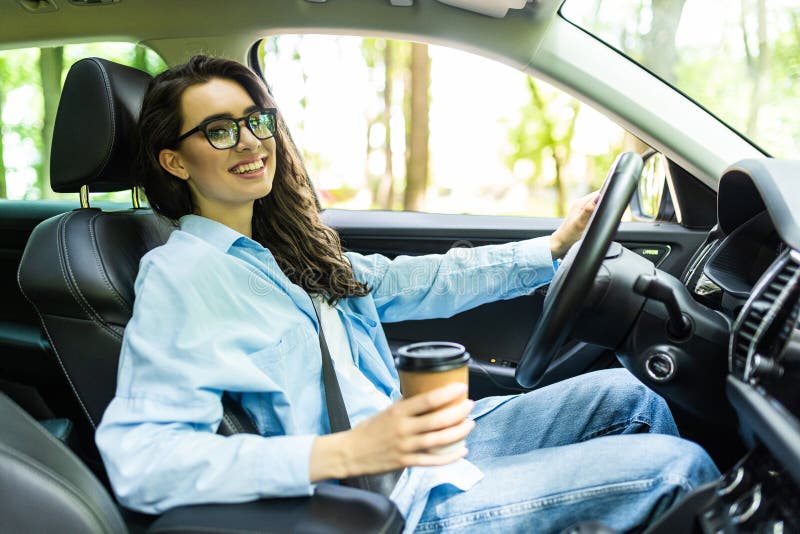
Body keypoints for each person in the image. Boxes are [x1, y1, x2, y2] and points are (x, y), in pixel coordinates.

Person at [95, 55, 719, 533]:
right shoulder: (182, 276)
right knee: (675, 470)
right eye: (221, 132)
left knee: (629, 396)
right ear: (176, 163)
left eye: (257, 122)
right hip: (383, 502)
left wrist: (551, 247)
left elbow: (423, 279)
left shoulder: (288, 250)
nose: (253, 142)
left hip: (424, 446)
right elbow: (143, 461)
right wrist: (339, 452)